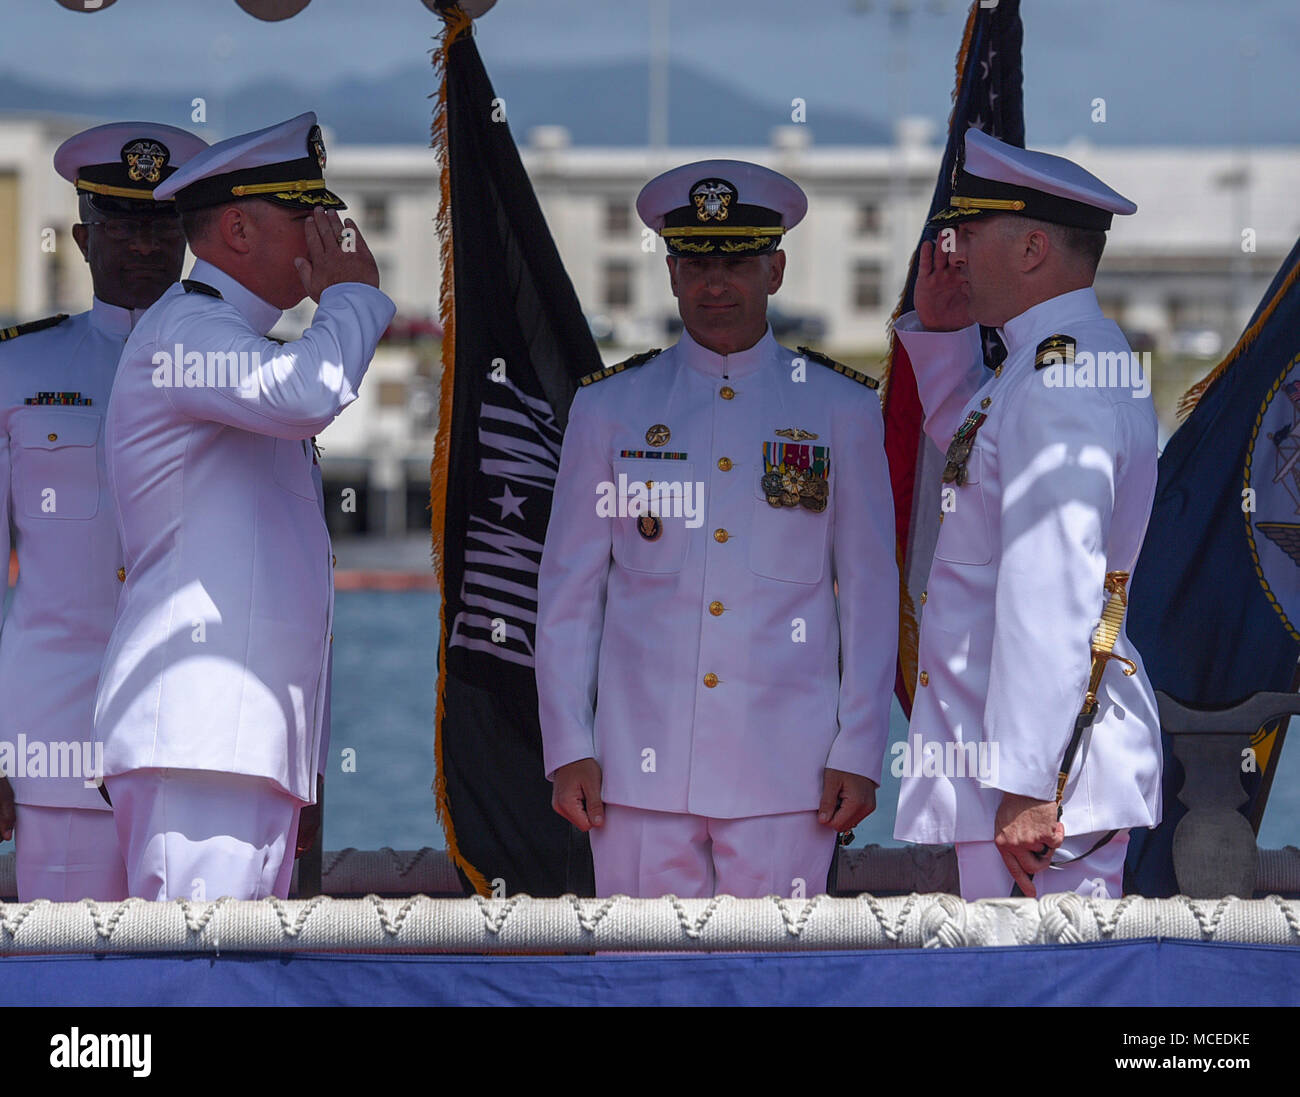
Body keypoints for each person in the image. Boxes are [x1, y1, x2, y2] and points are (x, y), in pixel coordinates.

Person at [537, 160, 897, 899]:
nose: (715, 283)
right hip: (638, 775)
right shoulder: (612, 408)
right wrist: (569, 745)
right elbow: (571, 592)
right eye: (697, 262)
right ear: (670, 271)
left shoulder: (841, 408)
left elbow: (868, 591)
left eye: (736, 262)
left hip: (787, 775)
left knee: (774, 987)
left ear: (776, 268)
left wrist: (859, 747)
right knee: (641, 985)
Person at [92, 112, 395, 901]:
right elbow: (308, 392)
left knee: (231, 981)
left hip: (238, 739)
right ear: (235, 228)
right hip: (200, 738)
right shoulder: (187, 329)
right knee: (198, 981)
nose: (328, 232)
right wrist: (356, 298)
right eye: (307, 215)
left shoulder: (225, 337)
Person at [893, 128, 1162, 900]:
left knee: (1044, 987)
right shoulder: (1049, 362)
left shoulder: (1058, 378)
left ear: (1034, 246)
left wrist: (1030, 780)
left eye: (969, 234)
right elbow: (977, 464)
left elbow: (1052, 590)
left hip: (1038, 785)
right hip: (1024, 770)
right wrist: (944, 340)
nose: (953, 253)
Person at [0, 122, 207, 902]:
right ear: (84, 239)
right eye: (123, 227)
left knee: (196, 974)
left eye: (162, 228)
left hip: (200, 735)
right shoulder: (17, 370)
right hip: (57, 736)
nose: (145, 249)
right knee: (63, 977)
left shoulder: (238, 370)